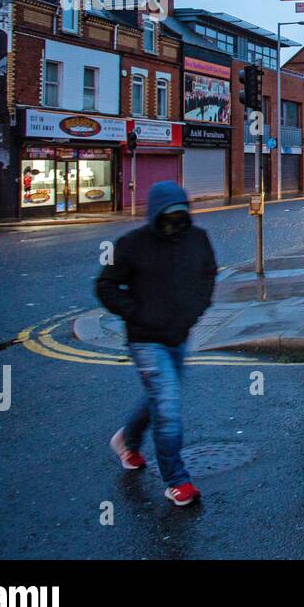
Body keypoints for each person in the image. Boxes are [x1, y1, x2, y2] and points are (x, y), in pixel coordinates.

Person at [95, 181, 217, 506]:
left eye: (180, 213)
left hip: (179, 335)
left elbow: (208, 274)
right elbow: (105, 286)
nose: (174, 220)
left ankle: (127, 440)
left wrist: (197, 308)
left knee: (160, 398)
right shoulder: (133, 245)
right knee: (168, 407)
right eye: (168, 215)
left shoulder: (198, 239)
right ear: (155, 214)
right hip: (146, 340)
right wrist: (137, 314)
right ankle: (177, 481)